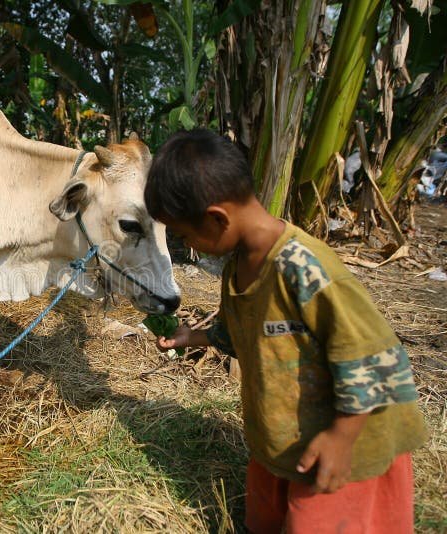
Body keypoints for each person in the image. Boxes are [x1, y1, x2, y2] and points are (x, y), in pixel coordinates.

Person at [144, 129, 429, 533]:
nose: (189, 246)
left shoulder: (306, 268)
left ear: (217, 218)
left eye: (186, 236)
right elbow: (247, 330)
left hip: (341, 445)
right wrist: (198, 337)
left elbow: (373, 358)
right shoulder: (237, 266)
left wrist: (342, 438)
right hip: (283, 440)